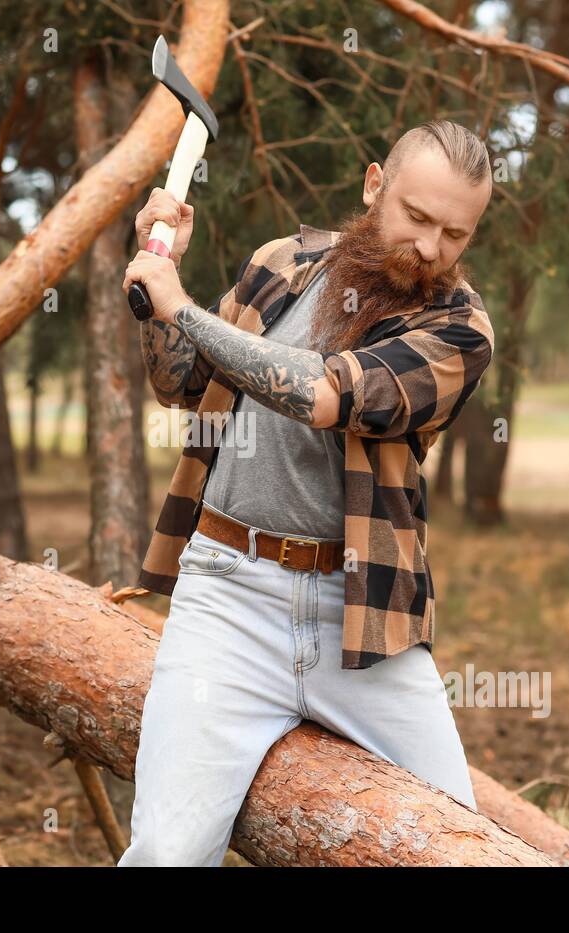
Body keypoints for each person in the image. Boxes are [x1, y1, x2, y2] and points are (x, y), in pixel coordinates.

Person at [119, 120, 496, 866]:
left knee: (461, 851)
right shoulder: (280, 264)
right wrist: (158, 270)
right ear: (373, 185)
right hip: (227, 597)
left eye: (455, 233)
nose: (430, 248)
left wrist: (182, 307)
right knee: (166, 852)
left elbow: (326, 396)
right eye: (417, 218)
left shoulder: (459, 329)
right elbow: (178, 383)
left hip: (360, 619)